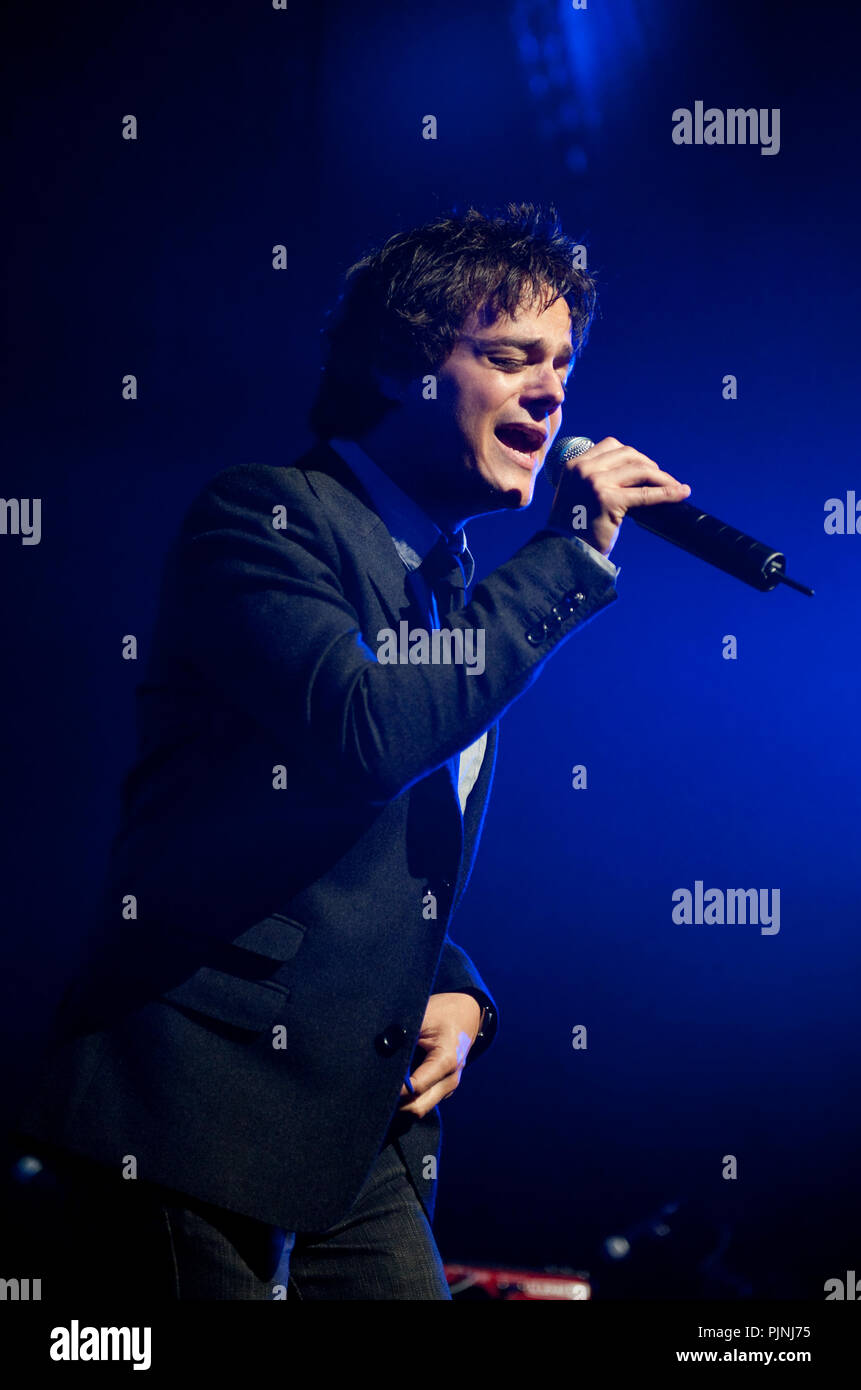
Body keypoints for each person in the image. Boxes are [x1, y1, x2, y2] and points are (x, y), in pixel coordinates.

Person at [12, 201, 689, 1300]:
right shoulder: (265, 518)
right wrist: (564, 560)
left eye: (563, 362)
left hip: (351, 1122)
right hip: (197, 1104)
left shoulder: (449, 583)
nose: (555, 390)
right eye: (512, 355)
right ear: (400, 366)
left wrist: (460, 988)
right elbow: (365, 734)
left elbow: (366, 850)